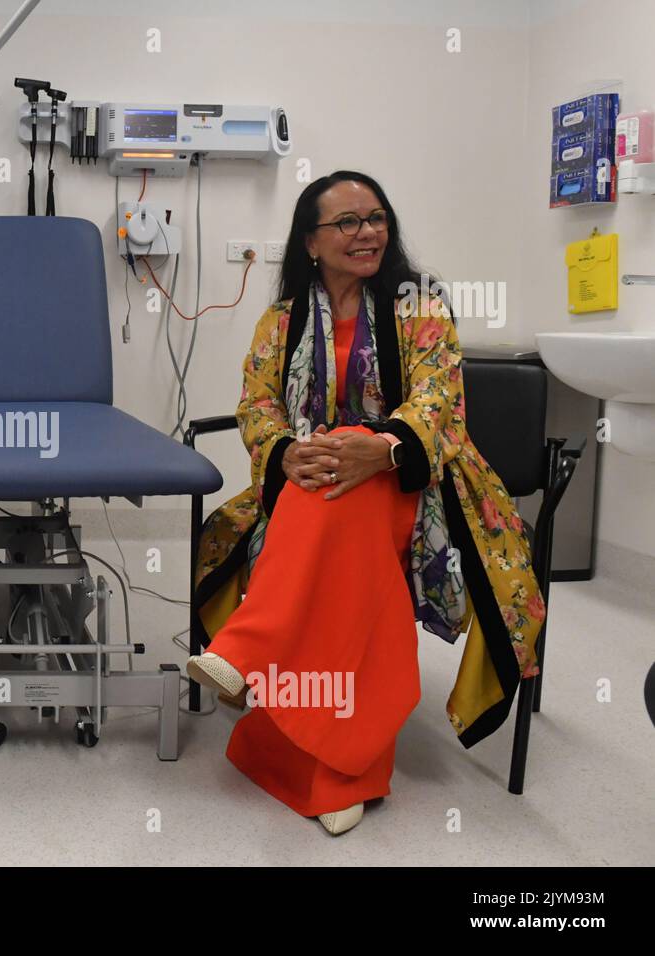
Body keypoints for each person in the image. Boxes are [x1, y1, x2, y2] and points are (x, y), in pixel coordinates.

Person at [187, 170, 543, 835]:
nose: (368, 232)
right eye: (347, 222)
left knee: (347, 456)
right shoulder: (282, 320)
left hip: (420, 484)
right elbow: (257, 404)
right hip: (314, 488)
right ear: (311, 242)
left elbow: (438, 399)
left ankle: (249, 649)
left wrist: (377, 449)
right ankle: (345, 770)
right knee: (350, 550)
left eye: (376, 217)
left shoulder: (419, 304)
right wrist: (288, 451)